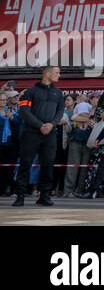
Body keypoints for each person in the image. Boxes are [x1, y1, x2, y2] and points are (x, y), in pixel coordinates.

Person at [12, 65, 62, 207]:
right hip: (31, 134)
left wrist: (52, 124)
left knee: (47, 165)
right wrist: (40, 125)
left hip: (50, 134)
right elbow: (24, 112)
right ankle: (20, 195)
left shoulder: (58, 93)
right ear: (47, 73)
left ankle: (44, 196)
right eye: (57, 72)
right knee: (25, 164)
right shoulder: (30, 92)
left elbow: (60, 111)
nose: (59, 75)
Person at [64, 92, 94, 197]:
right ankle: (68, 191)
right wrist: (87, 119)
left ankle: (80, 190)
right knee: (73, 166)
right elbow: (73, 118)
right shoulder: (79, 107)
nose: (94, 99)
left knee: (84, 168)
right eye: (92, 97)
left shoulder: (97, 110)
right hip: (75, 140)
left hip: (89, 142)